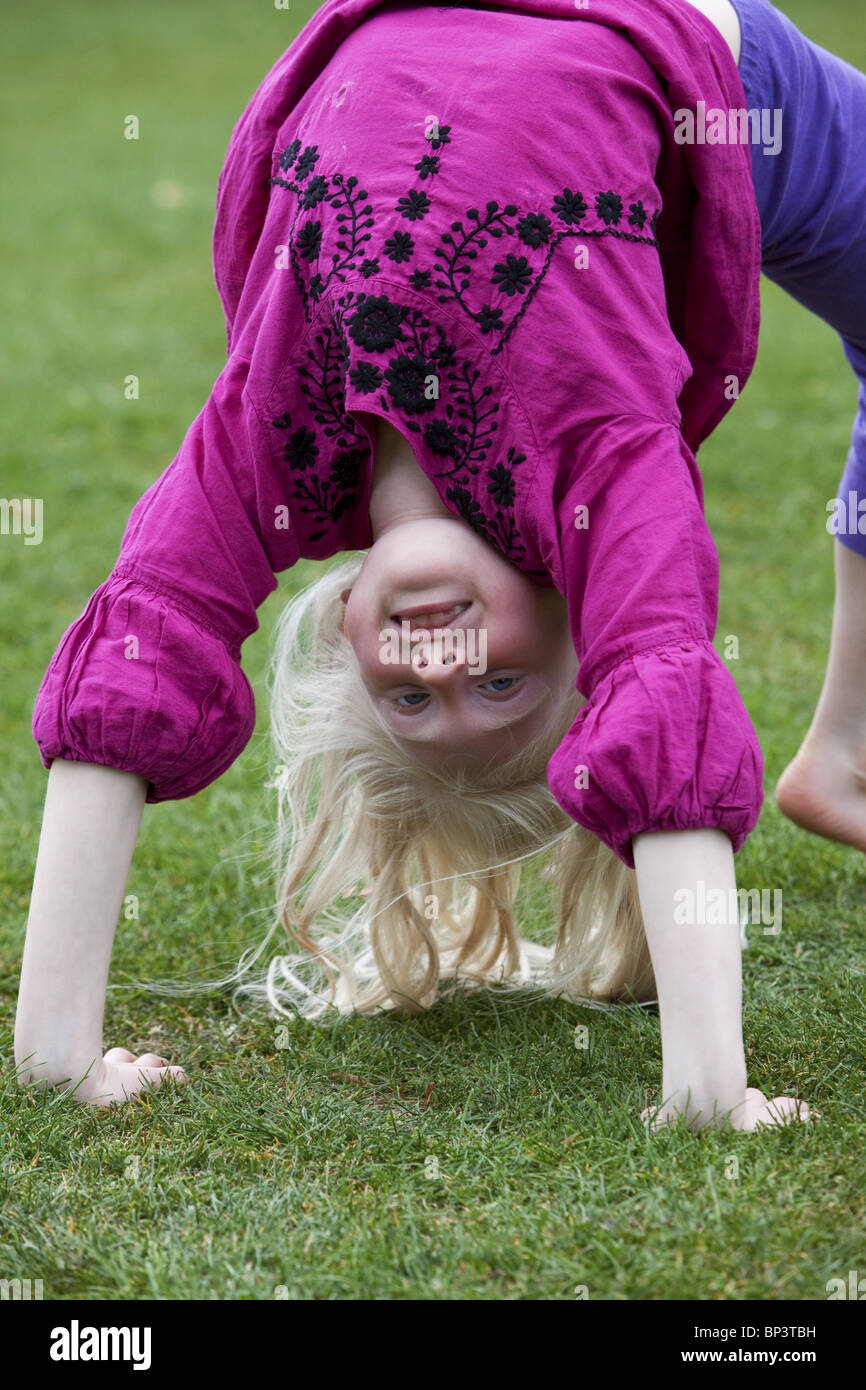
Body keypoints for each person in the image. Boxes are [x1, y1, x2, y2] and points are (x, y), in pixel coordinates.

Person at [15, 0, 864, 1129]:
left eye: (409, 698)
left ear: (348, 640)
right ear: (580, 623)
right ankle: (847, 748)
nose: (443, 659)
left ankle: (846, 751)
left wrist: (55, 1052)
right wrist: (709, 1091)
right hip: (698, 72)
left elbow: (135, 656)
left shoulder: (275, 444)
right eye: (501, 685)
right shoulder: (602, 463)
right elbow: (664, 697)